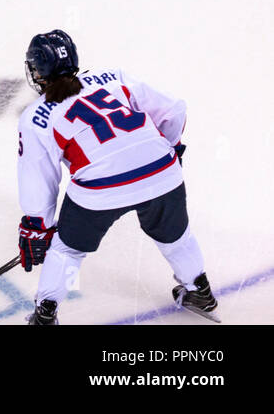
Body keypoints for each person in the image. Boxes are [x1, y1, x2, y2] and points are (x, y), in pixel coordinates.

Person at [15, 30, 216, 325]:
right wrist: (172, 149)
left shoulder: (35, 117)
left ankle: (45, 314)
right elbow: (174, 109)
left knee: (67, 249)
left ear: (38, 71)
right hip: (163, 170)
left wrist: (38, 225)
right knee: (175, 236)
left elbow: (39, 177)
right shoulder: (113, 77)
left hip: (100, 189)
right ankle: (199, 289)